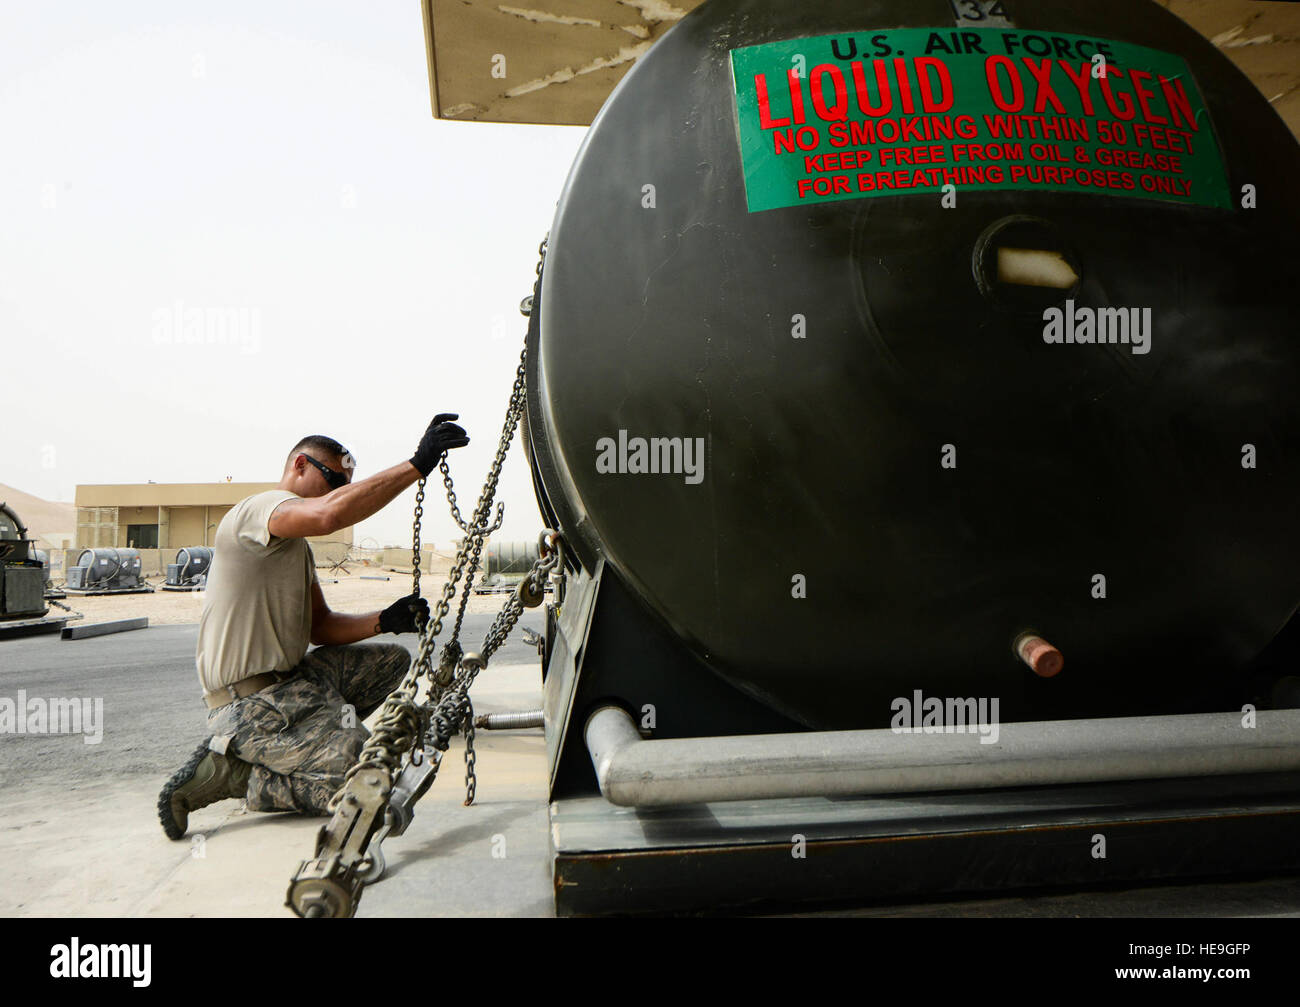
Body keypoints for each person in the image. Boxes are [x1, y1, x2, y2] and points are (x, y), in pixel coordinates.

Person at [158, 414, 469, 839]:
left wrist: (385, 620)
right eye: (334, 481)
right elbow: (325, 516)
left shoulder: (294, 548)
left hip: (291, 685)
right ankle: (237, 774)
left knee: (391, 662)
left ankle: (312, 739)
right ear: (300, 466)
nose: (341, 494)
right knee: (365, 776)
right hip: (249, 706)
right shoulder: (261, 508)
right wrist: (416, 465)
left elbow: (320, 627)